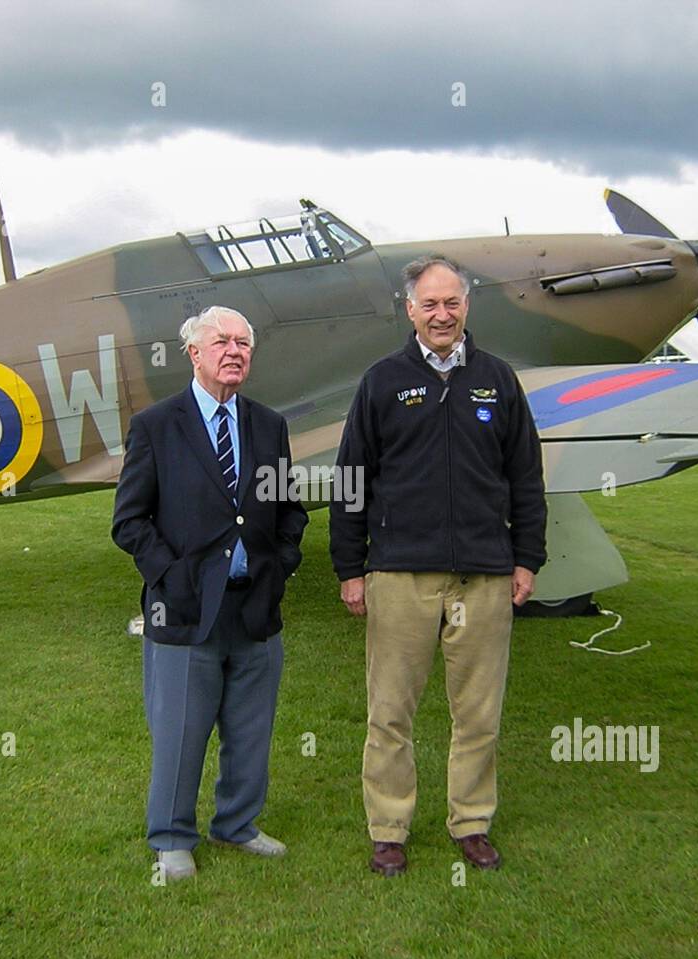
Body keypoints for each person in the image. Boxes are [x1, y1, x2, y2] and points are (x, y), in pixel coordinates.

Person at [329, 255, 547, 876]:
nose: (442, 314)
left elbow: (525, 478)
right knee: (390, 712)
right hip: (400, 574)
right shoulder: (381, 382)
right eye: (430, 304)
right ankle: (389, 828)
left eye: (452, 303)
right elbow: (351, 481)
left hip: (484, 573)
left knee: (478, 714)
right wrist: (351, 567)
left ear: (467, 308)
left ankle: (471, 822)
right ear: (411, 310)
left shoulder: (499, 381)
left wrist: (526, 557)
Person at [112, 306, 308, 881]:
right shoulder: (156, 425)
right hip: (185, 609)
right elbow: (129, 522)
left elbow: (288, 507)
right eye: (221, 341)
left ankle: (238, 824)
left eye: (244, 343)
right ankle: (171, 838)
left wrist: (283, 563)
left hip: (254, 606)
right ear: (193, 353)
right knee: (180, 730)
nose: (235, 351)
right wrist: (172, 578)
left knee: (251, 728)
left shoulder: (270, 425)